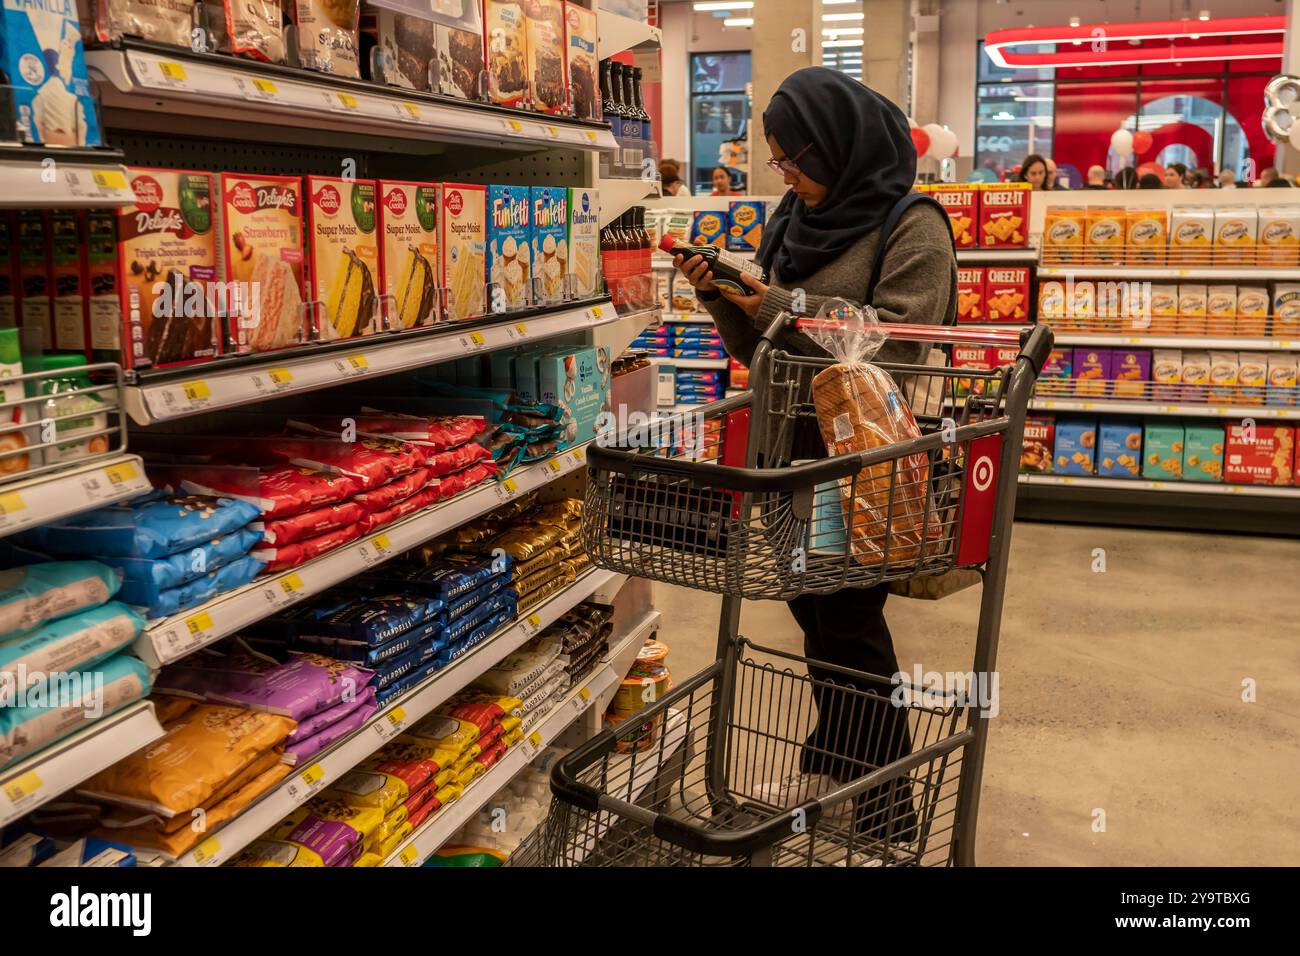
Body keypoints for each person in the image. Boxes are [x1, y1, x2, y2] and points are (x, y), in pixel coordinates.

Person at [670, 66, 955, 841]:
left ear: (843, 146)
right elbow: (764, 344)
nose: (787, 175)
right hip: (789, 455)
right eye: (779, 161)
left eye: (797, 159)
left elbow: (896, 344)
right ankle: (832, 769)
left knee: (852, 622)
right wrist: (721, 294)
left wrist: (782, 305)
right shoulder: (793, 217)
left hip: (864, 461)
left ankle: (888, 809)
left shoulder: (912, 223)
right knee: (817, 619)